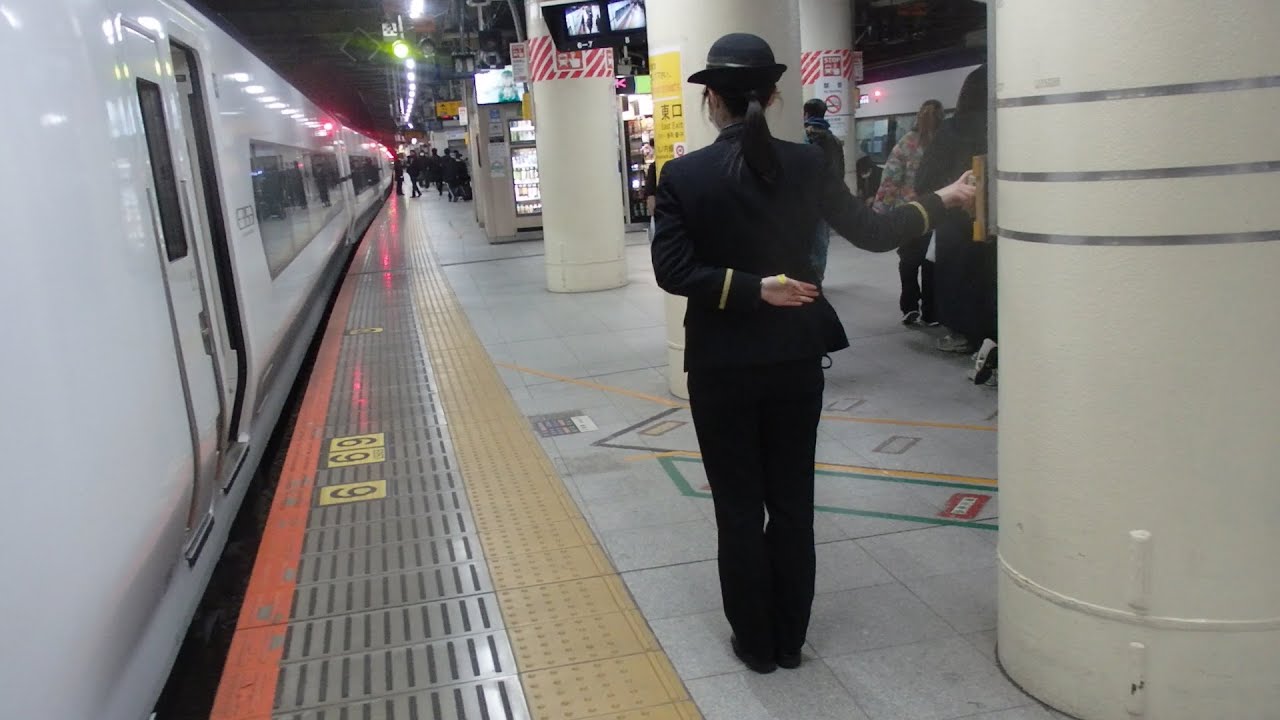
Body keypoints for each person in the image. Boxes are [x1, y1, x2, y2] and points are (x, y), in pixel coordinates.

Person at [651, 33, 975, 675]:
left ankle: (756, 645)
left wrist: (747, 291)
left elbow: (672, 269)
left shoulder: (682, 176)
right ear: (773, 97)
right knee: (793, 503)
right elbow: (877, 233)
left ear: (711, 98)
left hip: (718, 367)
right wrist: (946, 199)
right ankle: (791, 641)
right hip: (795, 362)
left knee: (738, 508)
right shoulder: (807, 166)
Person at [915, 66, 995, 362]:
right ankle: (993, 337)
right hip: (1001, 222)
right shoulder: (1008, 125)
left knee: (960, 278)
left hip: (956, 221)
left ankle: (963, 335)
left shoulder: (952, 130)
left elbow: (923, 181)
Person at [873, 99, 944, 325]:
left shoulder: (906, 143)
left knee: (908, 261)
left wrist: (880, 210)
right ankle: (932, 312)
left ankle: (910, 306)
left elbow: (890, 180)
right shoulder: (944, 142)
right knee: (932, 263)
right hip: (939, 210)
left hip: (910, 213)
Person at [802, 98, 845, 283]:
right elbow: (840, 169)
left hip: (806, 197)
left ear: (805, 114)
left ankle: (809, 278)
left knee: (806, 237)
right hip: (829, 197)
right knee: (821, 239)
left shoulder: (805, 135)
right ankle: (818, 277)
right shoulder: (834, 139)